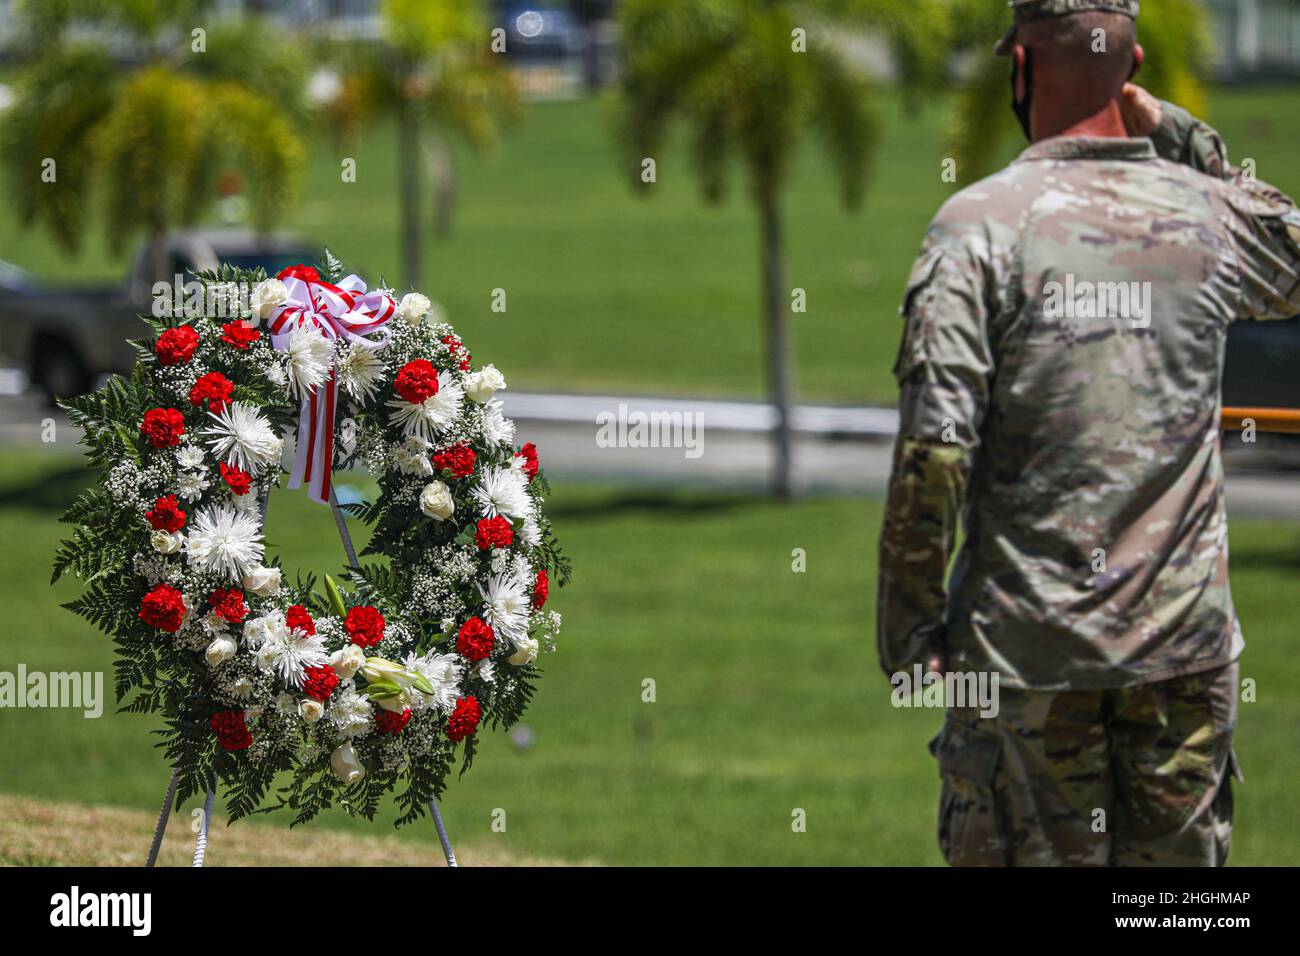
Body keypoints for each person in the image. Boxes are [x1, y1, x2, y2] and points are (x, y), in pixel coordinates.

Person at [876, 0, 1300, 865]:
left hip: (1026, 655)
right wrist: (1181, 135)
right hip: (1182, 651)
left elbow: (935, 452)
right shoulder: (1207, 215)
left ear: (1021, 68)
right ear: (1133, 65)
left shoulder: (978, 229)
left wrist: (911, 635)